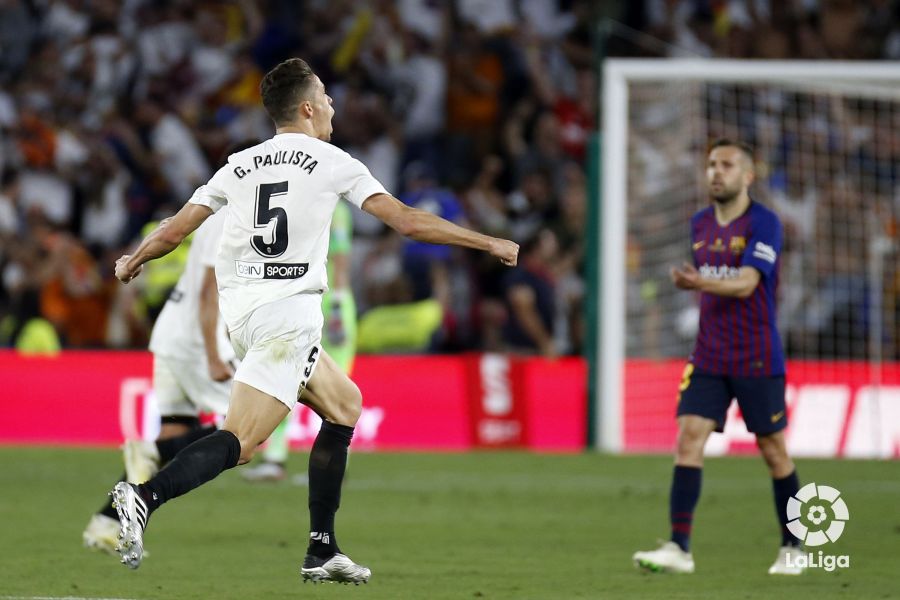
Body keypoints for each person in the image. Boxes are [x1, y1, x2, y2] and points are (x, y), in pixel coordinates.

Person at [109, 57, 519, 584]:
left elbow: (173, 232)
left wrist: (133, 261)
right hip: (289, 319)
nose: (332, 105)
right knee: (241, 442)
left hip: (245, 319)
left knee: (345, 405)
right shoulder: (332, 162)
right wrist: (486, 241)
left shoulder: (238, 164)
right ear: (306, 108)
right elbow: (408, 222)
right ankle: (145, 497)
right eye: (325, 96)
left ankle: (322, 549)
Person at [632, 139, 803, 576]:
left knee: (773, 449)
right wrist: (700, 285)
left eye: (726, 165)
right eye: (711, 164)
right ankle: (678, 547)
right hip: (709, 354)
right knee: (688, 437)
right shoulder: (699, 224)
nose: (716, 172)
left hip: (756, 357)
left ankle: (794, 546)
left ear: (747, 176)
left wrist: (698, 284)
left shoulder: (765, 223)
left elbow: (746, 284)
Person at [83, 189, 235, 555]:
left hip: (171, 333)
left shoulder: (210, 215)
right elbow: (208, 295)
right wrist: (215, 355)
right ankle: (148, 447)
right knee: (246, 430)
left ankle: (105, 524)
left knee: (174, 433)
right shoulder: (232, 219)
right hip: (197, 341)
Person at [241, 200, 356, 483]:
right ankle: (276, 459)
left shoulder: (332, 208)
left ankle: (331, 465)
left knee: (332, 388)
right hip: (305, 302)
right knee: (288, 380)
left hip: (328, 303)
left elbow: (340, 257)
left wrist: (338, 301)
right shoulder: (307, 203)